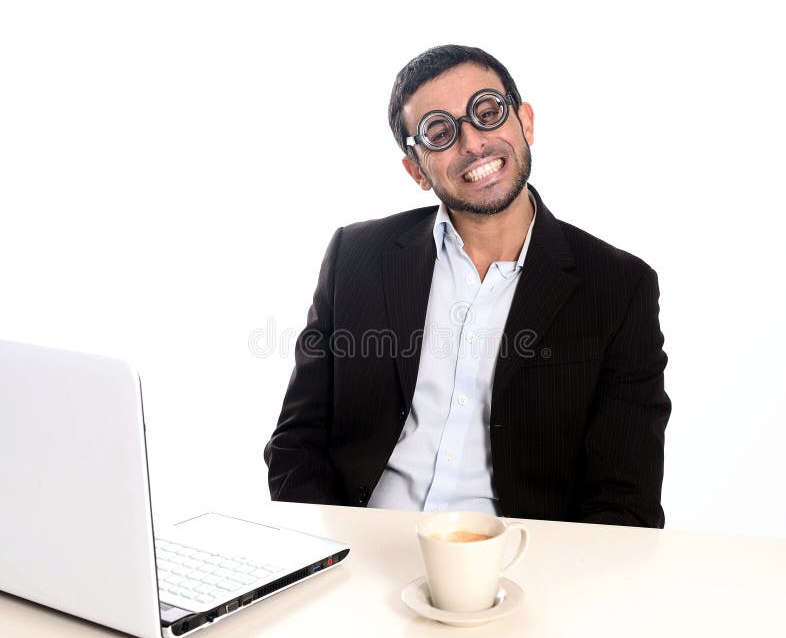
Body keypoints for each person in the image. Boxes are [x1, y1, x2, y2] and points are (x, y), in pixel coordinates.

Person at [264, 45, 671, 527]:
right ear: (416, 170)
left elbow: (625, 502)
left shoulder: (620, 287)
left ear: (525, 122)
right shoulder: (356, 256)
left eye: (487, 112)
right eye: (440, 133)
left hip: (521, 572)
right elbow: (296, 443)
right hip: (363, 554)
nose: (473, 143)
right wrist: (336, 556)